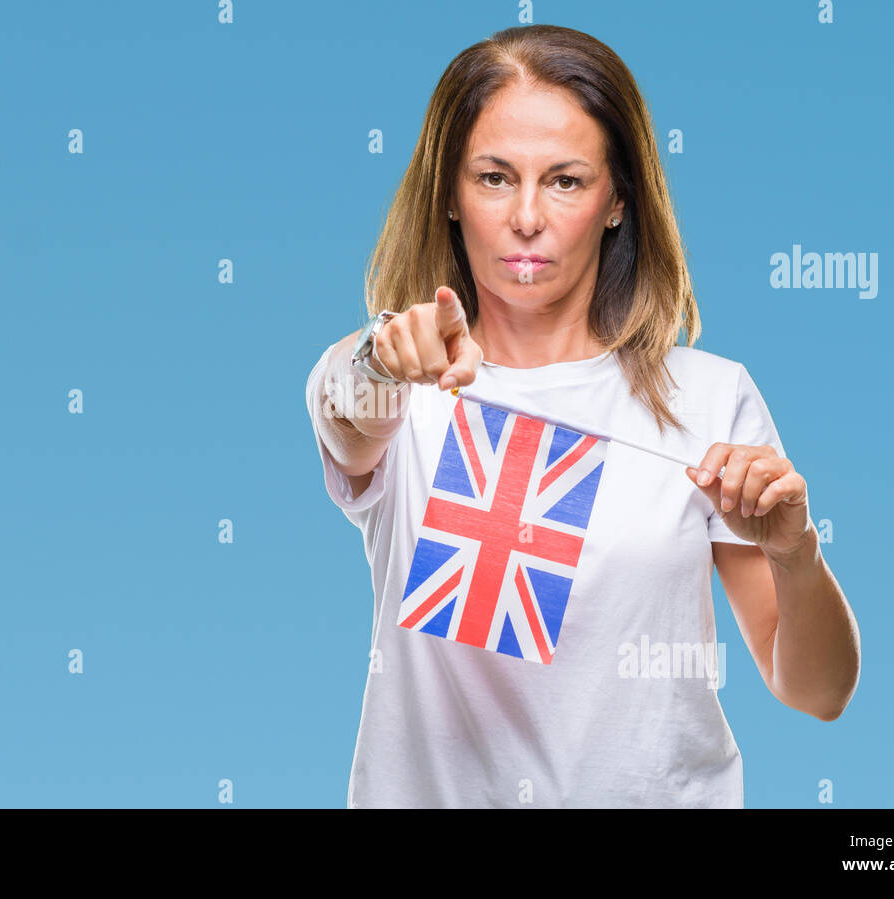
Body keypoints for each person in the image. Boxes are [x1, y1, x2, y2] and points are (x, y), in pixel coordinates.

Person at [304, 24, 860, 808]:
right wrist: (383, 361)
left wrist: (797, 551)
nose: (527, 216)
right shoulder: (403, 381)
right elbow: (345, 416)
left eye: (564, 180)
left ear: (617, 201)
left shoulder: (710, 397)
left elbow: (819, 692)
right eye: (494, 177)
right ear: (451, 198)